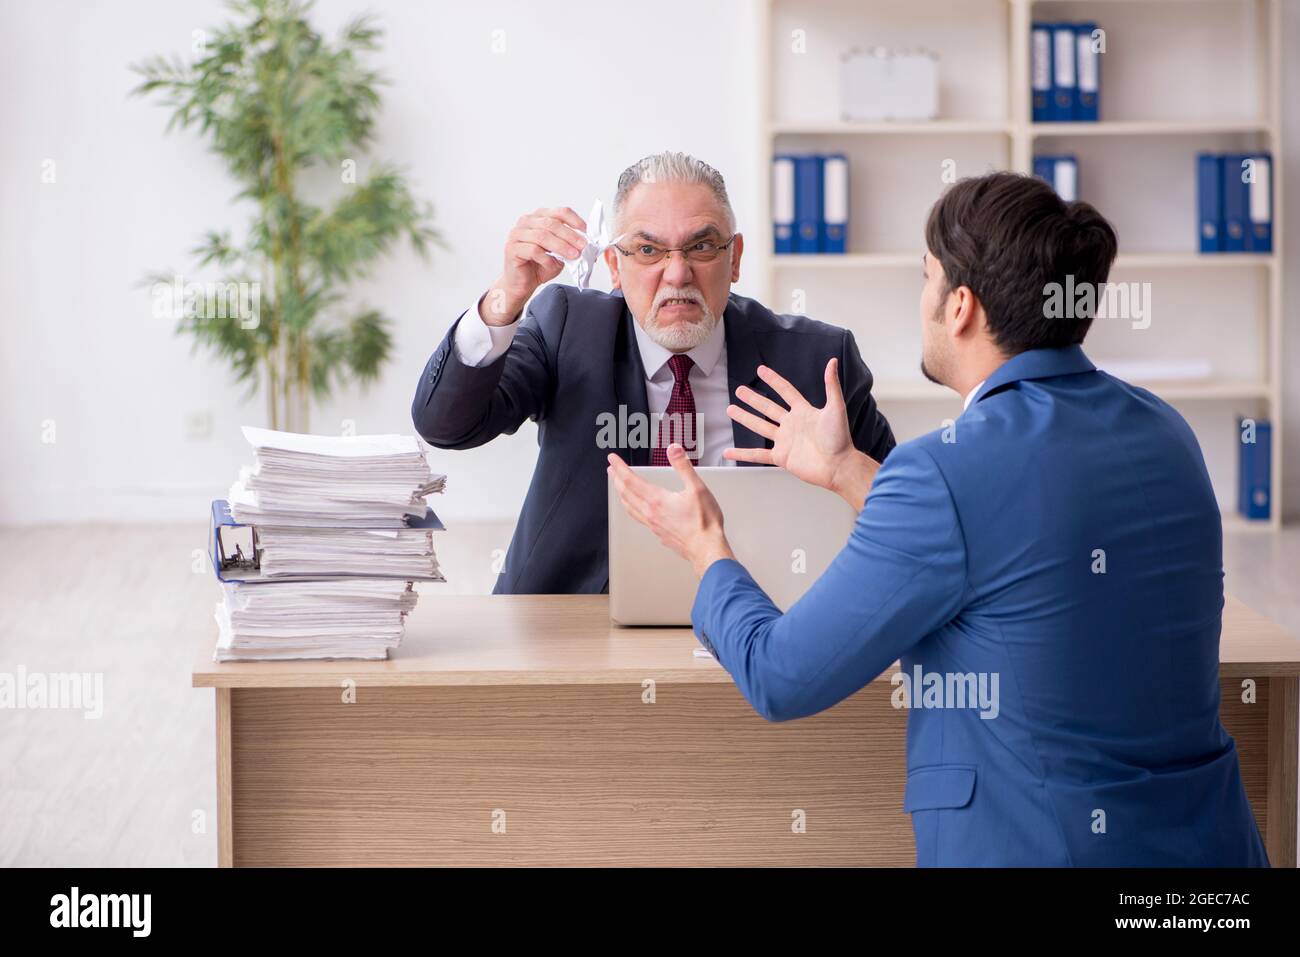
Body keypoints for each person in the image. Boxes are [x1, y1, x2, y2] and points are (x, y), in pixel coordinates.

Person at [607, 171, 1268, 867]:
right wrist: (847, 471)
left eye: (925, 278)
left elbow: (781, 674)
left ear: (959, 306)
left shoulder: (943, 471)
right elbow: (1012, 551)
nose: (918, 302)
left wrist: (708, 550)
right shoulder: (1166, 430)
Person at [412, 151, 895, 594]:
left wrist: (847, 468)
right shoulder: (566, 328)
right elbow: (447, 425)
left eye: (702, 246)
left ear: (736, 259)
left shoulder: (817, 362)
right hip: (578, 627)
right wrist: (506, 297)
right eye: (648, 250)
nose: (678, 273)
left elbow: (909, 517)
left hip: (760, 623)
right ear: (614, 267)